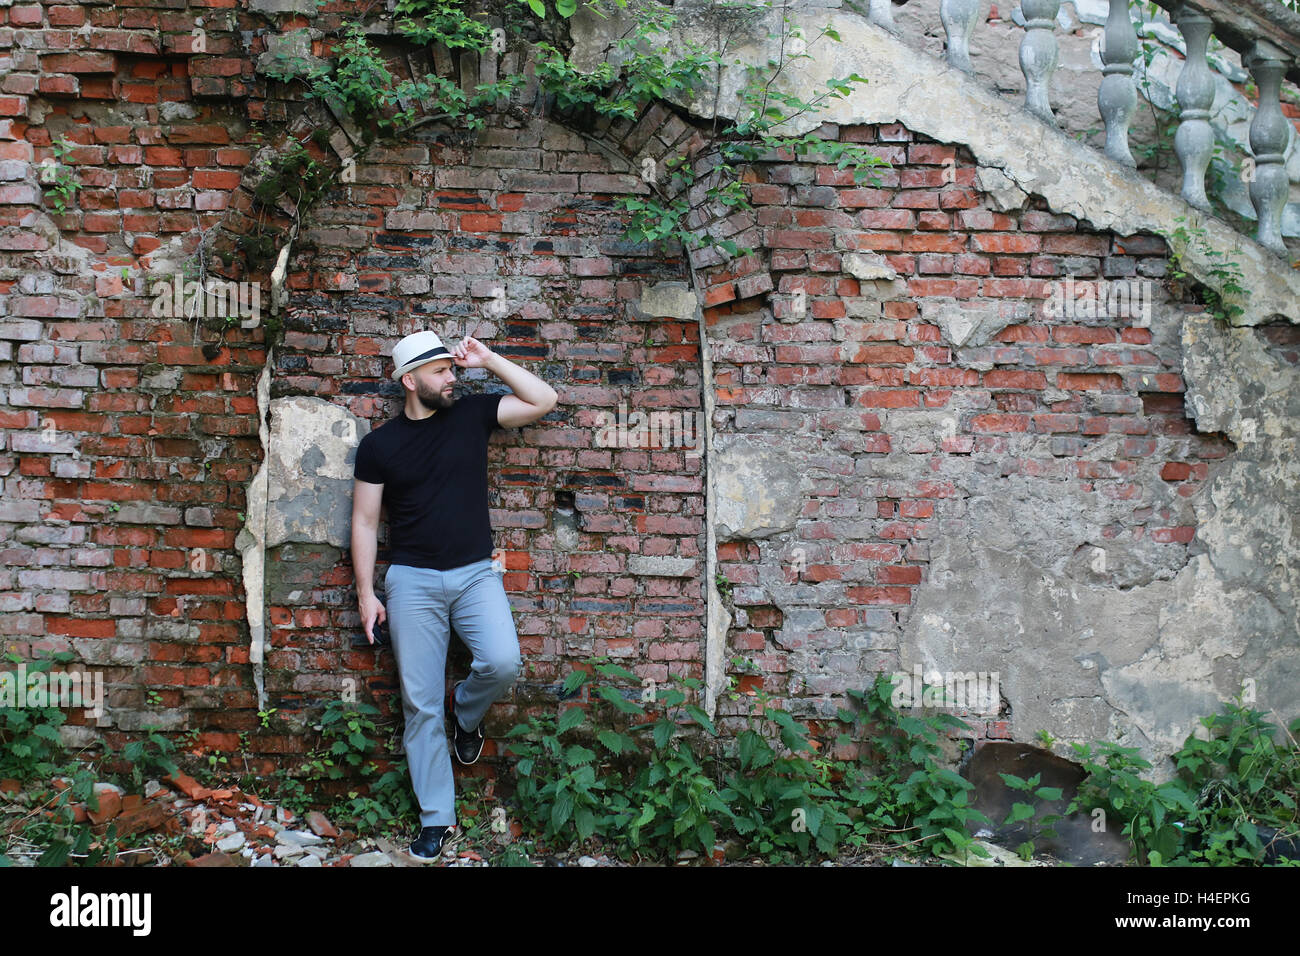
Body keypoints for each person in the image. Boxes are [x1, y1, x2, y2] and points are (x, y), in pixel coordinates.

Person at [350, 329, 558, 863]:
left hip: (473, 575)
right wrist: (366, 593)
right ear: (409, 380)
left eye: (453, 368)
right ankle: (436, 819)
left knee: (503, 661)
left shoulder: (473, 416)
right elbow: (365, 520)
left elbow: (544, 399)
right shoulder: (379, 446)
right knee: (418, 706)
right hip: (411, 582)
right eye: (441, 371)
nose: (452, 378)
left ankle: (465, 713)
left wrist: (488, 358)